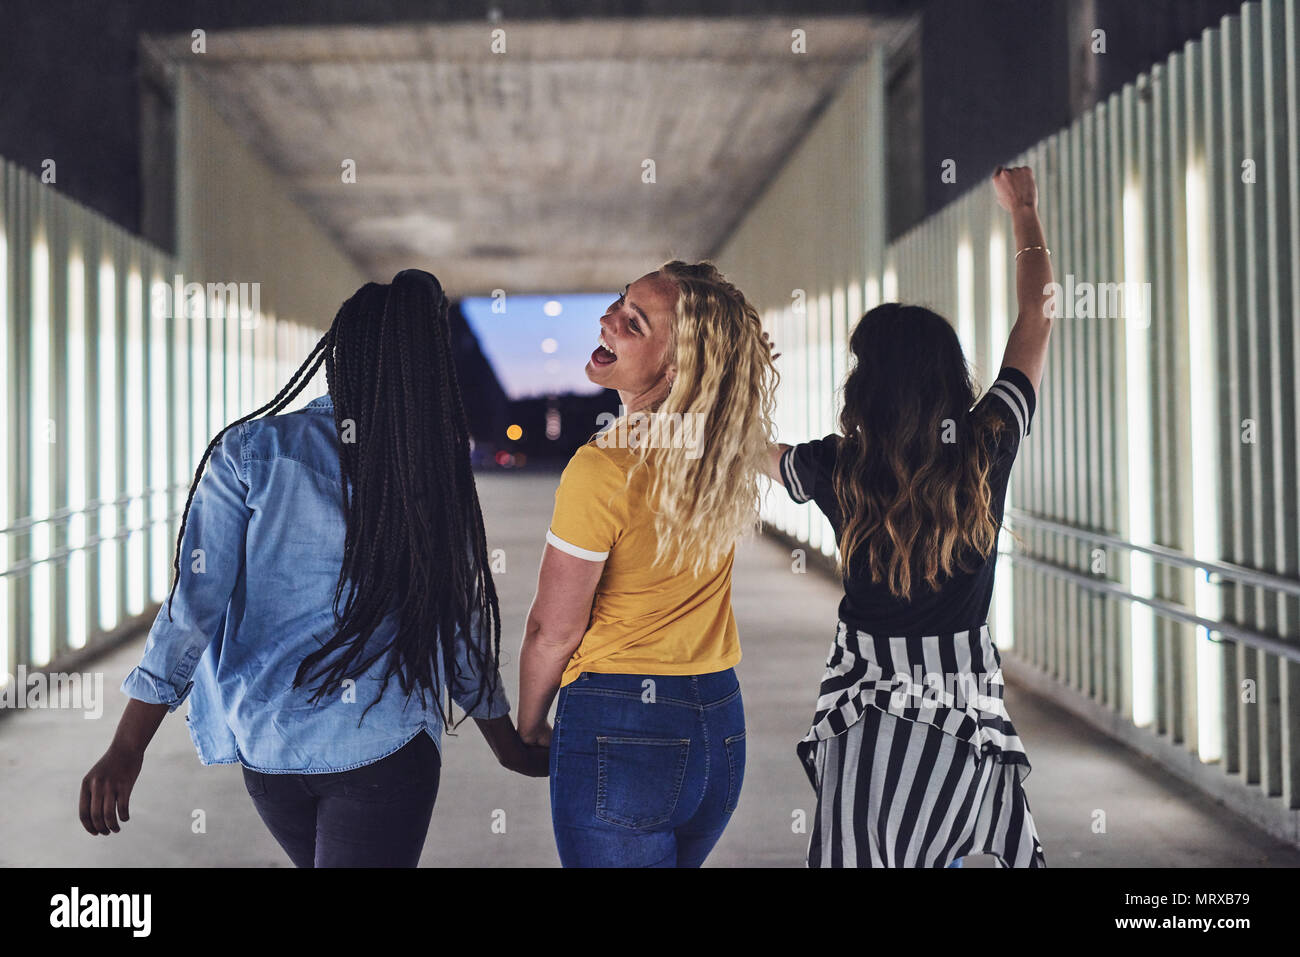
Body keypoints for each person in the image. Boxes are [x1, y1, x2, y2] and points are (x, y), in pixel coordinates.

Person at [79, 269, 547, 867]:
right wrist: (505, 742)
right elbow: (458, 622)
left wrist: (127, 748)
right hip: (384, 748)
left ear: (337, 354)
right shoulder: (428, 469)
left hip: (269, 747)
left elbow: (192, 609)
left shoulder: (251, 452)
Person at [770, 166, 1052, 867]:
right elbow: (1038, 315)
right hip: (962, 716)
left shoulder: (840, 469)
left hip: (867, 722)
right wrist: (1023, 211)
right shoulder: (986, 445)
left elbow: (745, 444)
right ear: (947, 373)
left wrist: (749, 371)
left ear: (865, 386)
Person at [516, 261, 777, 867]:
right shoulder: (722, 451)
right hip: (720, 725)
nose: (606, 321)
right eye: (618, 305)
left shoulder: (603, 468)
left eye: (633, 323)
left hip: (621, 725)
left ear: (676, 365)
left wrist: (529, 728)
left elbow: (553, 630)